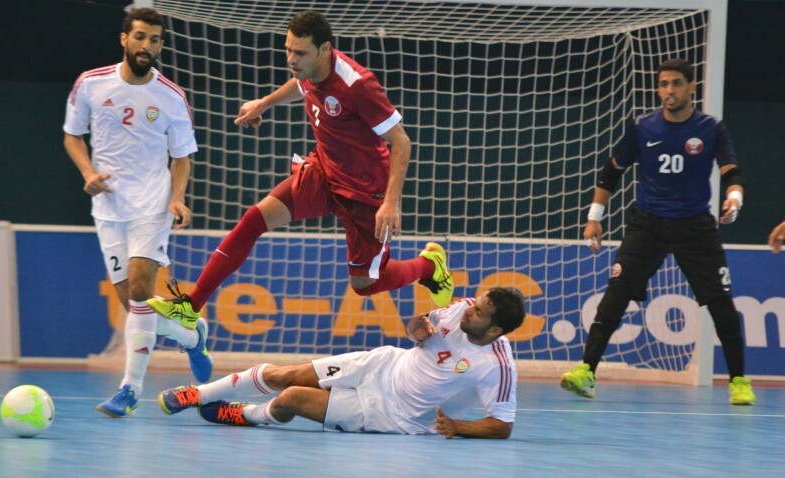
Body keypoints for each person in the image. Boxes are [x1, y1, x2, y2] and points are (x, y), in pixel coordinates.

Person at [147, 10, 454, 329]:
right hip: (324, 170)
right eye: (288, 49)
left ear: (325, 50)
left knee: (366, 285)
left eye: (301, 52)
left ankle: (429, 266)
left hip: (366, 191)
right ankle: (192, 305)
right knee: (254, 220)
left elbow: (401, 142)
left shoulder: (357, 85)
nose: (292, 59)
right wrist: (264, 103)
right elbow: (300, 84)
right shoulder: (308, 69)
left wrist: (390, 203)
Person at [560, 58, 755, 405]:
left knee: (721, 303)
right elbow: (612, 171)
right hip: (647, 223)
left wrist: (734, 198)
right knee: (616, 293)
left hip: (695, 226)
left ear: (691, 87)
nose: (669, 90)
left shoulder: (711, 128)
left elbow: (731, 170)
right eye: (663, 84)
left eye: (676, 84)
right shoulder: (642, 127)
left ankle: (739, 381)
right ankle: (586, 372)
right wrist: (594, 216)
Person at [63, 7, 212, 417]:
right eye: (141, 37)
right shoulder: (91, 85)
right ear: (124, 39)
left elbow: (182, 157)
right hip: (109, 207)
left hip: (151, 202)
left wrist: (178, 197)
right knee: (133, 306)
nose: (148, 46)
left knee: (144, 290)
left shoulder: (171, 96)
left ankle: (129, 390)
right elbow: (72, 135)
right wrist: (89, 171)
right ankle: (189, 334)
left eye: (156, 40)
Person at [156, 288, 525, 439]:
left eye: (478, 313)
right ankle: (197, 393)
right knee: (285, 374)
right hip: (382, 364)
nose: (469, 310)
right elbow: (416, 326)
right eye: (474, 304)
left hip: (390, 414)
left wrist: (458, 426)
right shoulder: (461, 307)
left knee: (290, 399)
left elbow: (503, 425)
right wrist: (418, 329)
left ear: (495, 330)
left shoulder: (497, 366)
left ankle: (248, 414)